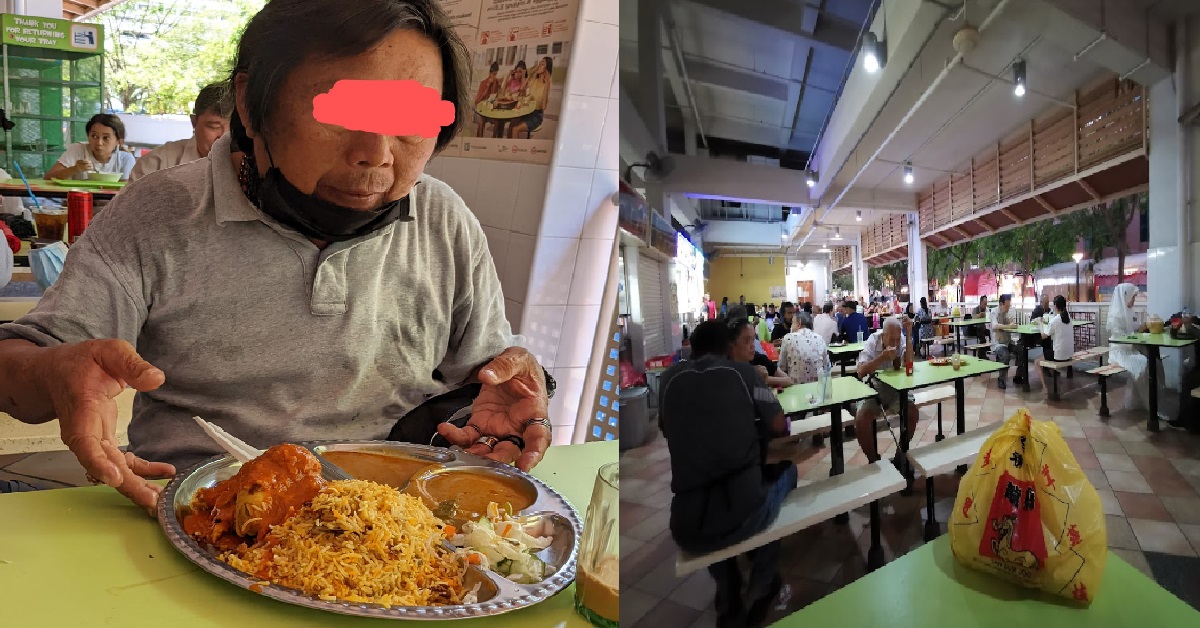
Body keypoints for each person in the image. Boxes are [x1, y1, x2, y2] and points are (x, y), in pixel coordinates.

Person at [0, 0, 555, 514]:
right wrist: (53, 375)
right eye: (340, 113)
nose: (376, 155)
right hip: (199, 519)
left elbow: (483, 379)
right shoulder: (158, 213)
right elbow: (17, 367)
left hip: (391, 526)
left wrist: (504, 401)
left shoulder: (443, 219)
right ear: (251, 102)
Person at [657, 320, 794, 627]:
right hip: (746, 511)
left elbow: (669, 430)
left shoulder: (667, 380)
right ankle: (763, 582)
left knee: (723, 505)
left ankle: (728, 588)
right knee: (787, 473)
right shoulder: (746, 374)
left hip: (687, 525)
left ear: (692, 347)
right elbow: (780, 427)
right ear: (728, 347)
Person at [129, 84, 233, 182]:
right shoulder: (157, 165)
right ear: (194, 122)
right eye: (214, 126)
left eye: (234, 128)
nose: (225, 136)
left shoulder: (246, 167)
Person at [854, 317, 919, 462]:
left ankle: (900, 456)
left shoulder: (900, 338)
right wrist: (882, 358)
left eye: (898, 339)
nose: (896, 343)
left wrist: (908, 334)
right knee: (861, 420)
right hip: (875, 386)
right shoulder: (873, 340)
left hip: (897, 387)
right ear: (883, 335)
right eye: (892, 340)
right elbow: (860, 371)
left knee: (912, 412)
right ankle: (873, 460)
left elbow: (909, 364)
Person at [46, 113, 136, 181]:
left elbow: (127, 191)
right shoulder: (77, 149)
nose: (99, 143)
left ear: (119, 142)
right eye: (94, 136)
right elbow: (48, 178)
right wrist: (75, 169)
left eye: (106, 138)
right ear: (88, 136)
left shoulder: (126, 159)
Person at [1107, 283, 1154, 413]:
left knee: (1153, 361)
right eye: (1133, 297)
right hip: (1120, 352)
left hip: (1130, 349)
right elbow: (1120, 338)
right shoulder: (1115, 316)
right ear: (1125, 296)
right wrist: (1138, 332)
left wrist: (1142, 328)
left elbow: (1134, 331)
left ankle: (1143, 399)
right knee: (1143, 363)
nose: (1134, 300)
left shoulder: (1130, 312)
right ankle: (1145, 400)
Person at [730, 318, 792, 389]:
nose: (753, 345)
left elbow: (788, 380)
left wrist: (766, 379)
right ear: (732, 343)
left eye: (753, 339)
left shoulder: (759, 360)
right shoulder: (726, 367)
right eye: (747, 341)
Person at [1037, 296, 1076, 397]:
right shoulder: (1069, 318)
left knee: (1037, 362)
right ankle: (1051, 377)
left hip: (1059, 356)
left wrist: (1040, 324)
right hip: (1069, 354)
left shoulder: (1055, 320)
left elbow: (1043, 336)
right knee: (1050, 350)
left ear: (1055, 306)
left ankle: (1045, 388)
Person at [778, 312, 827, 385]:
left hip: (795, 388)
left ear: (799, 324)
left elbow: (782, 367)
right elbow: (826, 366)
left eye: (792, 323)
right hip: (818, 387)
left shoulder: (788, 338)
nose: (791, 326)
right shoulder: (820, 339)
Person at [508, 56, 551, 139]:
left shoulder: (545, 84)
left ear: (547, 69)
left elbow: (544, 106)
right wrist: (532, 71)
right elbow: (522, 88)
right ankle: (508, 148)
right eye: (539, 63)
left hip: (536, 115)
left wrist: (547, 85)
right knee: (512, 124)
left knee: (515, 129)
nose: (539, 65)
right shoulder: (534, 80)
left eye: (542, 64)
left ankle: (513, 150)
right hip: (527, 111)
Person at [990, 294, 1019, 389]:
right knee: (1005, 355)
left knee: (1022, 350)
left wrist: (1013, 324)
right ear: (1000, 304)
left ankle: (1019, 375)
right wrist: (1008, 326)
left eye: (1009, 306)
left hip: (1008, 342)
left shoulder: (1008, 311)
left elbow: (1013, 323)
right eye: (1006, 306)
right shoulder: (994, 312)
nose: (1008, 308)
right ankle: (1001, 379)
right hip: (998, 343)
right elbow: (995, 325)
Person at [473, 61, 502, 136]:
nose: (494, 76)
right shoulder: (483, 83)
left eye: (496, 74)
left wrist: (497, 85)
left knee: (497, 121)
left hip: (490, 110)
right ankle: (479, 140)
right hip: (480, 110)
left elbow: (495, 97)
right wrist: (488, 86)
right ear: (490, 73)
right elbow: (477, 101)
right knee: (481, 121)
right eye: (493, 74)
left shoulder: (496, 82)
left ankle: (494, 139)